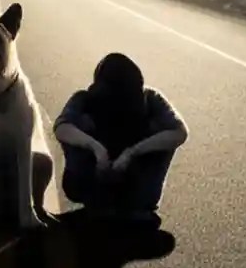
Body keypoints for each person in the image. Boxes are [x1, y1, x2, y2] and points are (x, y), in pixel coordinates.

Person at [53, 53, 188, 226]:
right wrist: (95, 148)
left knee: (163, 132)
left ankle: (128, 210)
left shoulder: (150, 99)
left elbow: (180, 132)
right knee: (77, 126)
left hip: (136, 187)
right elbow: (61, 128)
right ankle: (99, 206)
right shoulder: (85, 99)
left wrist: (132, 152)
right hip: (94, 179)